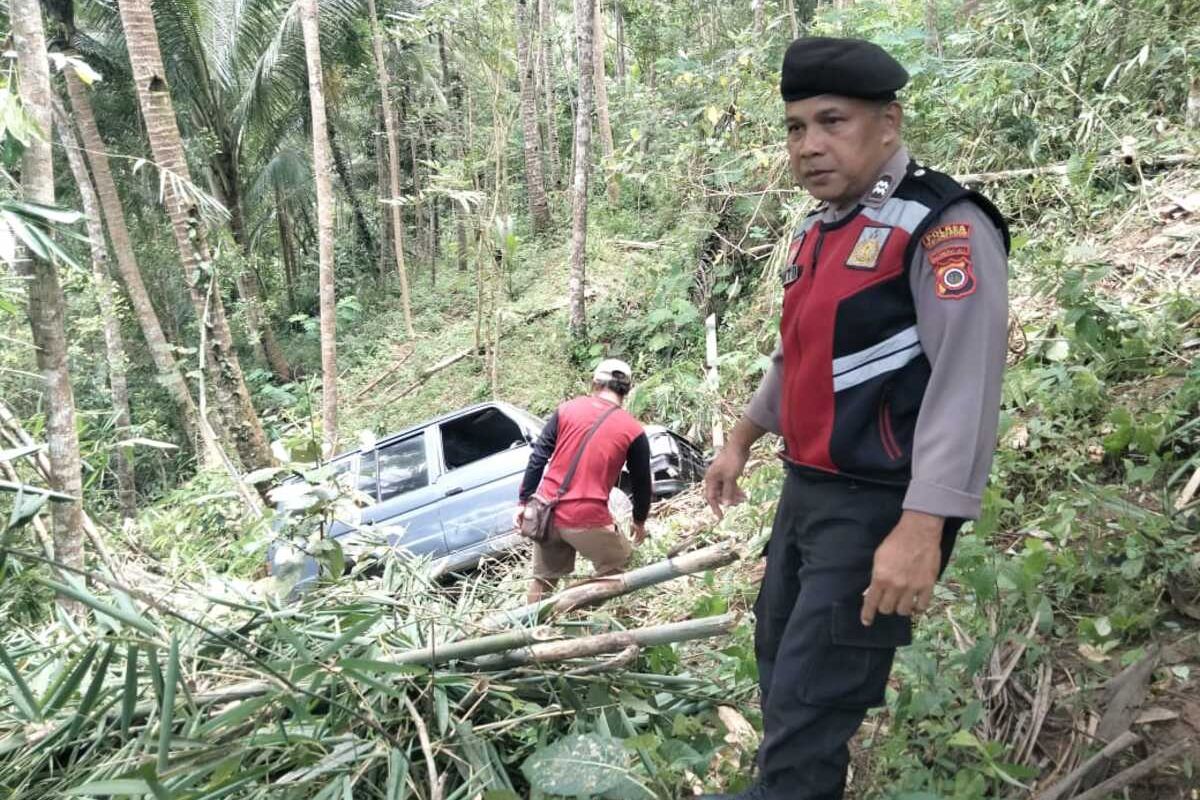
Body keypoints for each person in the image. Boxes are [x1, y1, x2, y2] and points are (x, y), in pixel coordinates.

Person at [701, 37, 1010, 800]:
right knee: (783, 681)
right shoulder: (822, 229)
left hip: (877, 508)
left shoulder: (941, 226)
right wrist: (741, 439)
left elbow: (966, 384)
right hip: (806, 496)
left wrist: (923, 527)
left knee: (812, 708)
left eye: (832, 121)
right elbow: (800, 355)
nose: (808, 145)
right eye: (795, 127)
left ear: (888, 123)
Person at [518, 359, 652, 604]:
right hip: (586, 515)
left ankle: (530, 626)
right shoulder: (633, 430)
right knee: (619, 564)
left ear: (595, 383)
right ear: (626, 391)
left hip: (546, 511)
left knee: (543, 580)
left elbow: (538, 457)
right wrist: (639, 521)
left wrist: (523, 501)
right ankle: (572, 605)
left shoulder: (566, 409)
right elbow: (642, 482)